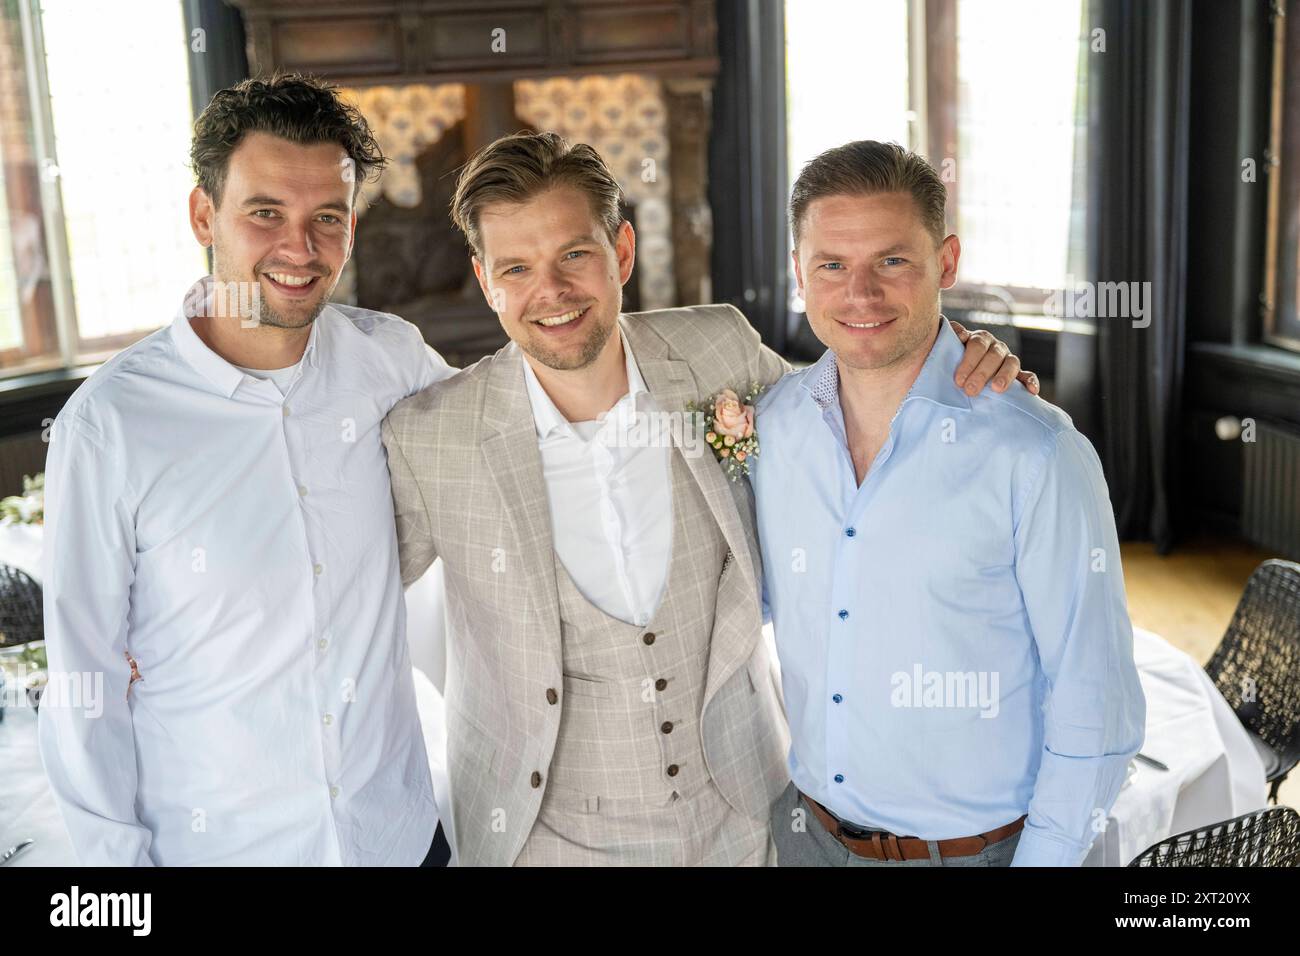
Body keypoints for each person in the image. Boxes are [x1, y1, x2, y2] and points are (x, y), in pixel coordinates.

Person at [380, 131, 1036, 865]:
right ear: (484, 279)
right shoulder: (430, 437)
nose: (552, 292)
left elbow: (854, 400)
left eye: (575, 255)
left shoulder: (717, 352)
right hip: (544, 837)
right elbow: (335, 601)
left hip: (744, 810)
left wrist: (953, 358)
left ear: (621, 251)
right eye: (517, 268)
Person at [38, 74, 453, 865]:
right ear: (205, 215)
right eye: (265, 213)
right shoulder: (110, 425)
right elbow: (83, 683)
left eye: (326, 218)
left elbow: (510, 441)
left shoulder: (392, 360)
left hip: (399, 838)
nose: (299, 249)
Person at [753, 140, 1145, 867]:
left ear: (948, 262)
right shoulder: (768, 430)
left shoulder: (1036, 454)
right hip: (805, 839)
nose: (860, 294)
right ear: (800, 274)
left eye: (892, 261)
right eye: (831, 265)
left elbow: (1097, 702)